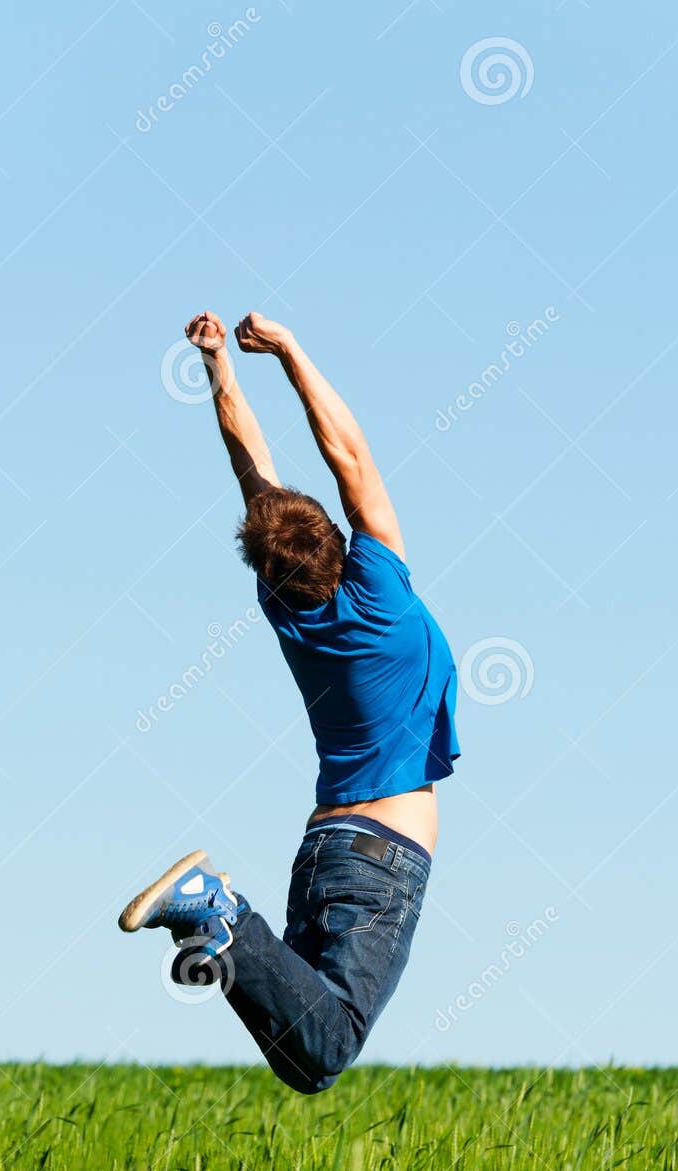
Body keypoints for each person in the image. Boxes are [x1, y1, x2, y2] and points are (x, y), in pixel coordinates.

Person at [118, 310, 459, 1093]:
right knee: (330, 1046)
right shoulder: (378, 589)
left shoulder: (289, 609)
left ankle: (230, 947)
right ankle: (217, 916)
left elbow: (254, 469)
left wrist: (219, 368)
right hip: (378, 857)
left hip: (325, 852)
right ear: (340, 539)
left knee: (303, 1065)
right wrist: (290, 350)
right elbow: (347, 454)